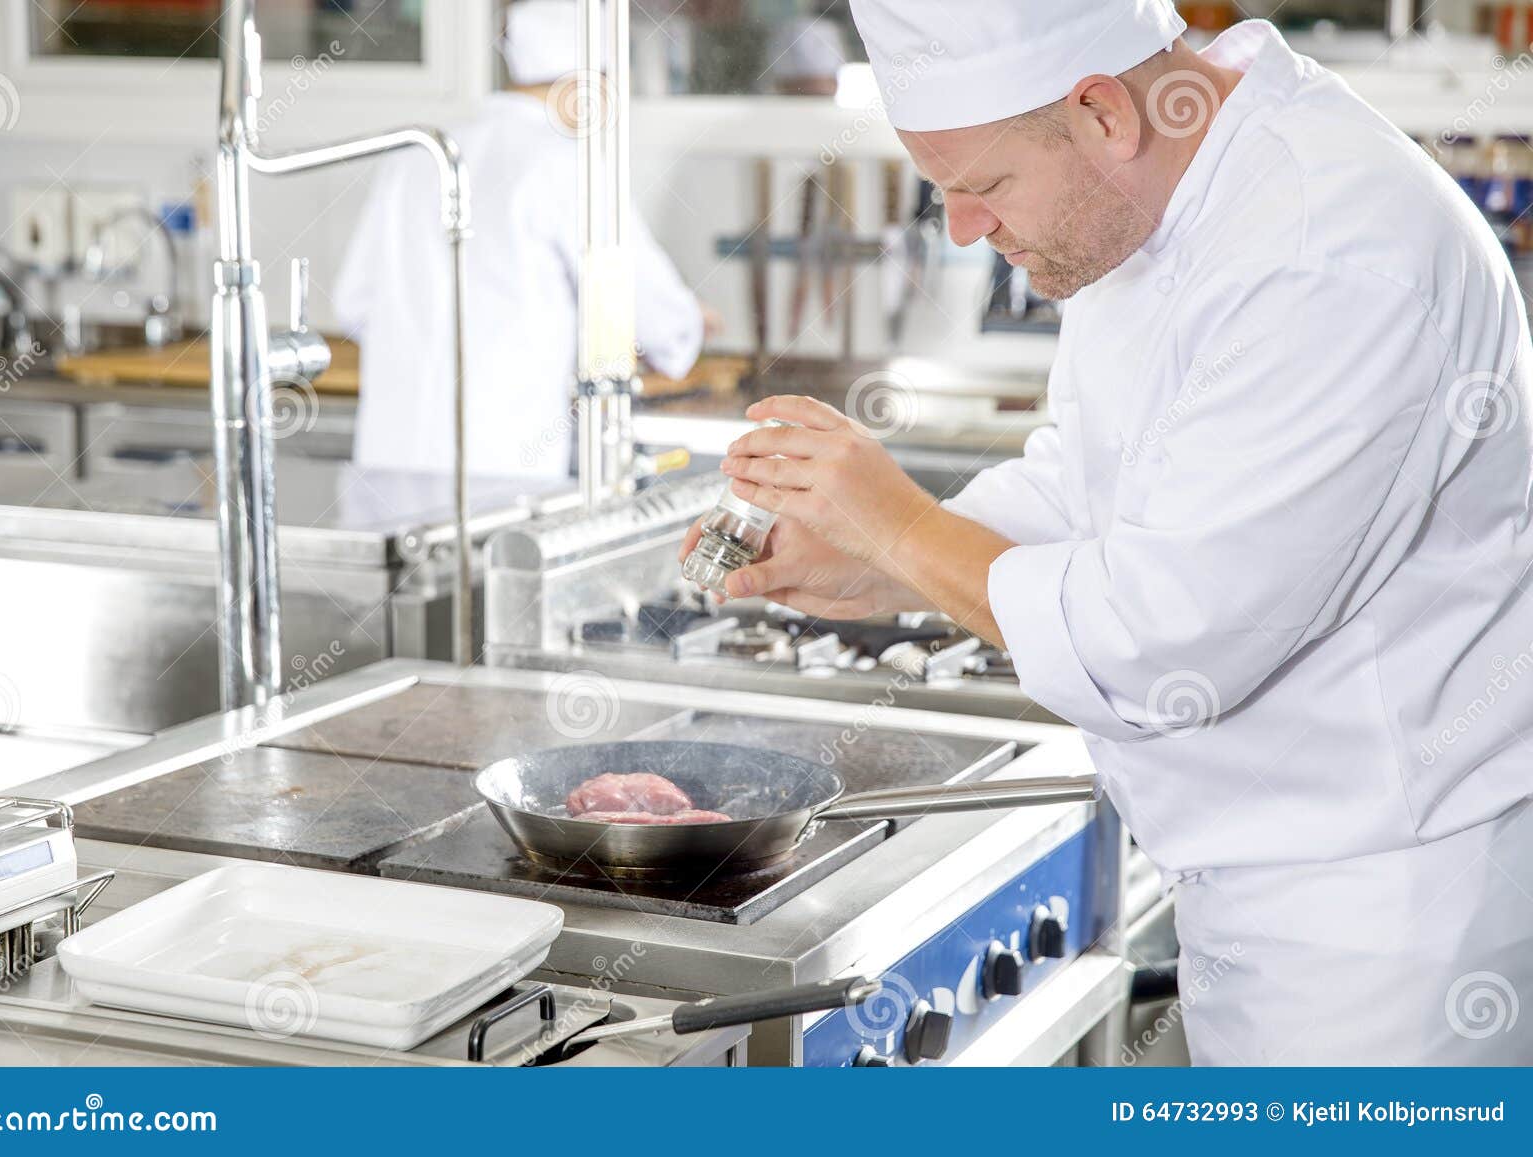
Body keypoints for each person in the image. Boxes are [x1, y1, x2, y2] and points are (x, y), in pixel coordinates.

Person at [693, 0, 1533, 1065]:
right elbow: (1098, 488)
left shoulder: (1330, 252)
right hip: (1267, 893)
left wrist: (900, 527)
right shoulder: (1160, 204)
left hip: (1391, 931)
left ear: (1101, 113)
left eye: (981, 186)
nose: (961, 228)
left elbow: (1167, 635)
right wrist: (872, 559)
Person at [334, 0, 705, 478]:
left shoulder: (415, 156)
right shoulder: (566, 165)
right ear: (592, 81)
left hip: (387, 464)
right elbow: (666, 329)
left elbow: (353, 304)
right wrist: (691, 322)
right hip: (501, 475)